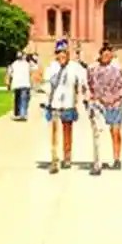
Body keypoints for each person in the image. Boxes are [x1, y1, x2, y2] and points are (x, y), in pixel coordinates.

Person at [42, 39, 87, 174]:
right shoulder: (51, 68)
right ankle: (54, 159)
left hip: (68, 104)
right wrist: (46, 100)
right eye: (59, 53)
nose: (61, 56)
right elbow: (47, 85)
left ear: (68, 54)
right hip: (54, 104)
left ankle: (67, 156)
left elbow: (83, 83)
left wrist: (85, 96)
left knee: (67, 131)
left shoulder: (75, 67)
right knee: (54, 133)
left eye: (64, 53)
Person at [87, 44, 122, 175]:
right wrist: (91, 99)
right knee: (98, 133)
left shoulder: (117, 68)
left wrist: (118, 99)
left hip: (115, 105)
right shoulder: (93, 69)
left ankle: (117, 158)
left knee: (115, 132)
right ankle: (98, 162)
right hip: (99, 104)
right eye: (103, 54)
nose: (106, 57)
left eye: (108, 54)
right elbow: (88, 84)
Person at [5, 52, 32, 121]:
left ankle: (17, 114)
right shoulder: (26, 64)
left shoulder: (14, 64)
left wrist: (8, 84)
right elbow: (30, 72)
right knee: (23, 99)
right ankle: (22, 114)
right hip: (25, 84)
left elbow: (9, 73)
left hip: (16, 84)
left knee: (17, 100)